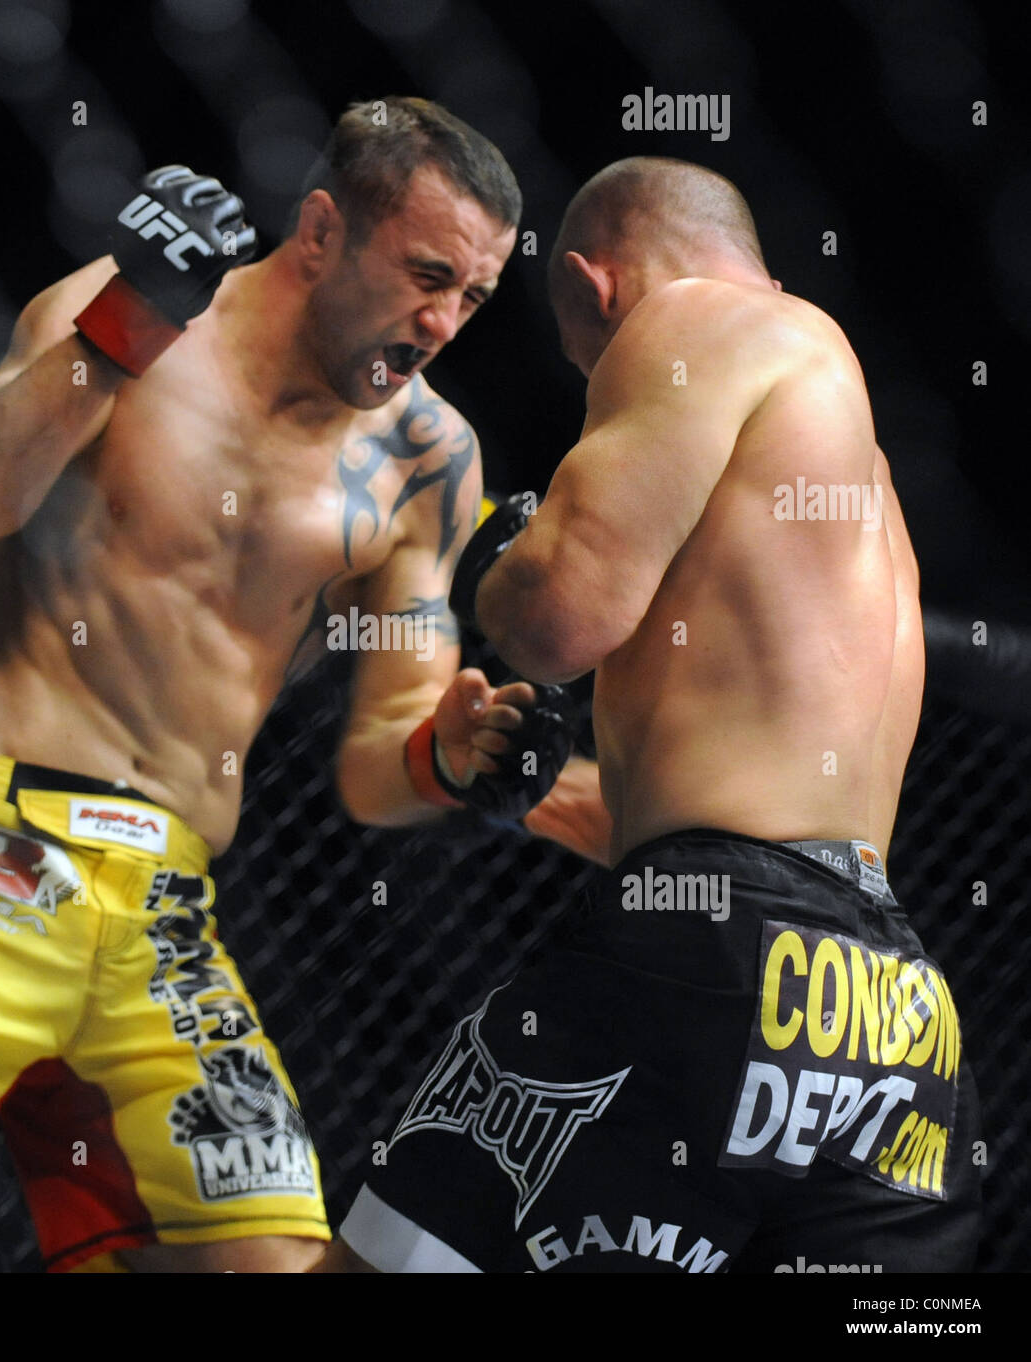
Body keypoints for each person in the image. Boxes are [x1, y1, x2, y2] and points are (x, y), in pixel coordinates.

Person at [0, 97, 589, 1274]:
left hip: (168, 906)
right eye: (426, 275)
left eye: (474, 298)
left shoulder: (429, 456)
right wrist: (113, 332)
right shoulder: (133, 313)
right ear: (322, 231)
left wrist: (457, 756)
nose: (442, 323)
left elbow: (387, 747)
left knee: (274, 1262)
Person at [325, 156, 982, 1273]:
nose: (600, 390)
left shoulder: (690, 323)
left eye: (588, 365)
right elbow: (757, 810)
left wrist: (488, 556)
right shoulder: (856, 473)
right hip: (891, 1011)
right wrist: (533, 787)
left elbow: (558, 617)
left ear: (595, 285)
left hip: (715, 952)